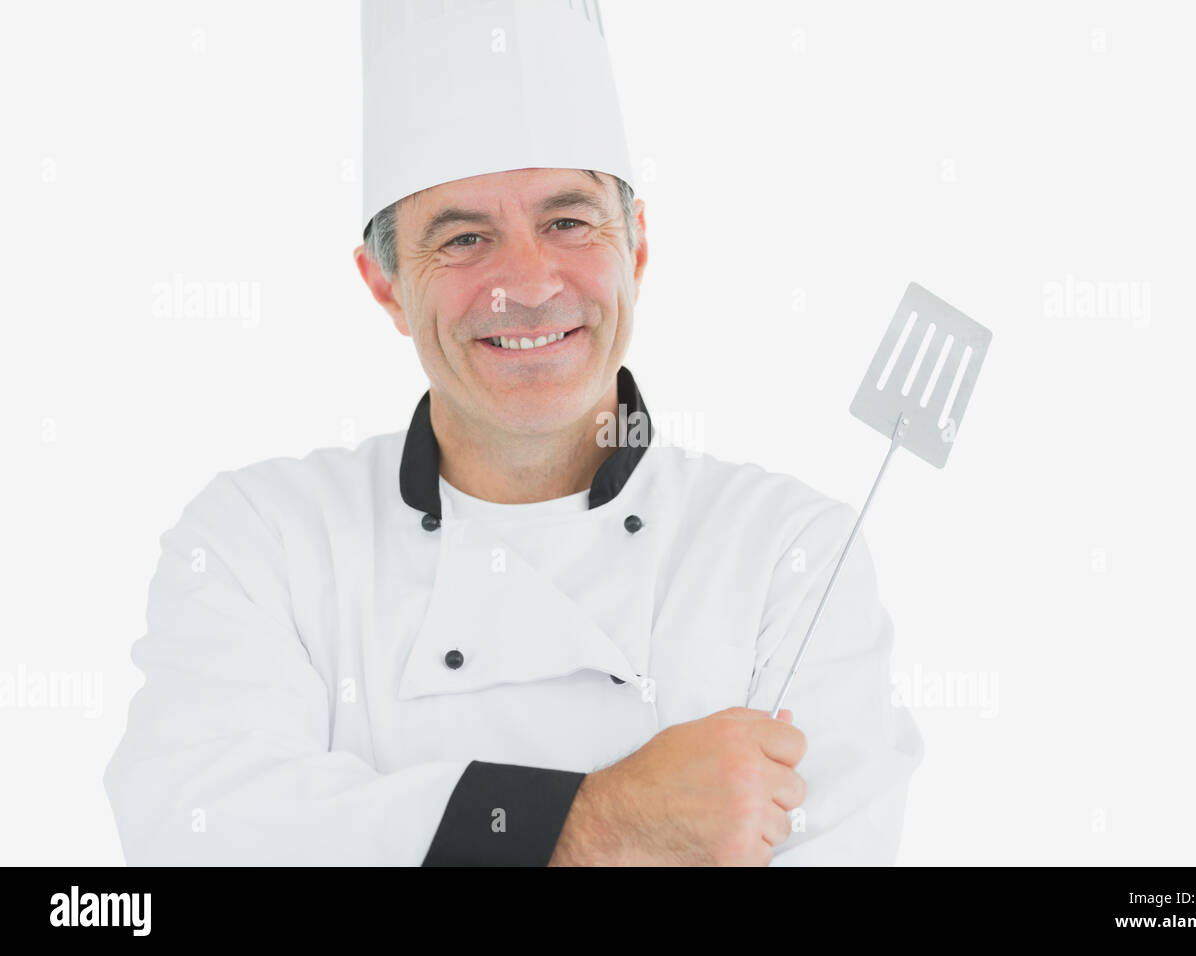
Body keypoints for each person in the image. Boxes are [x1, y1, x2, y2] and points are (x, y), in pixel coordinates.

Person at [103, 0, 923, 866]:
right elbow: (198, 832)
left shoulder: (790, 554)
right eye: (463, 238)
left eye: (568, 221)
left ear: (636, 248)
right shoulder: (261, 539)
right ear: (385, 285)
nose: (526, 285)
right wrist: (606, 821)